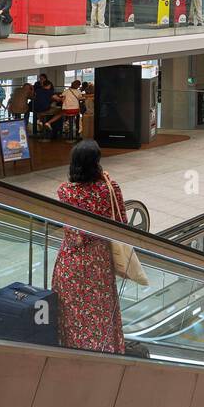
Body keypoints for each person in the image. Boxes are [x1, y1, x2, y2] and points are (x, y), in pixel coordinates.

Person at [52, 140, 127, 354]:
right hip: (98, 262)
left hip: (70, 262)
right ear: (96, 162)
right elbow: (122, 222)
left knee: (72, 316)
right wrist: (107, 181)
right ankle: (104, 353)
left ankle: (72, 355)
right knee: (101, 314)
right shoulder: (109, 188)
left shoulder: (65, 191)